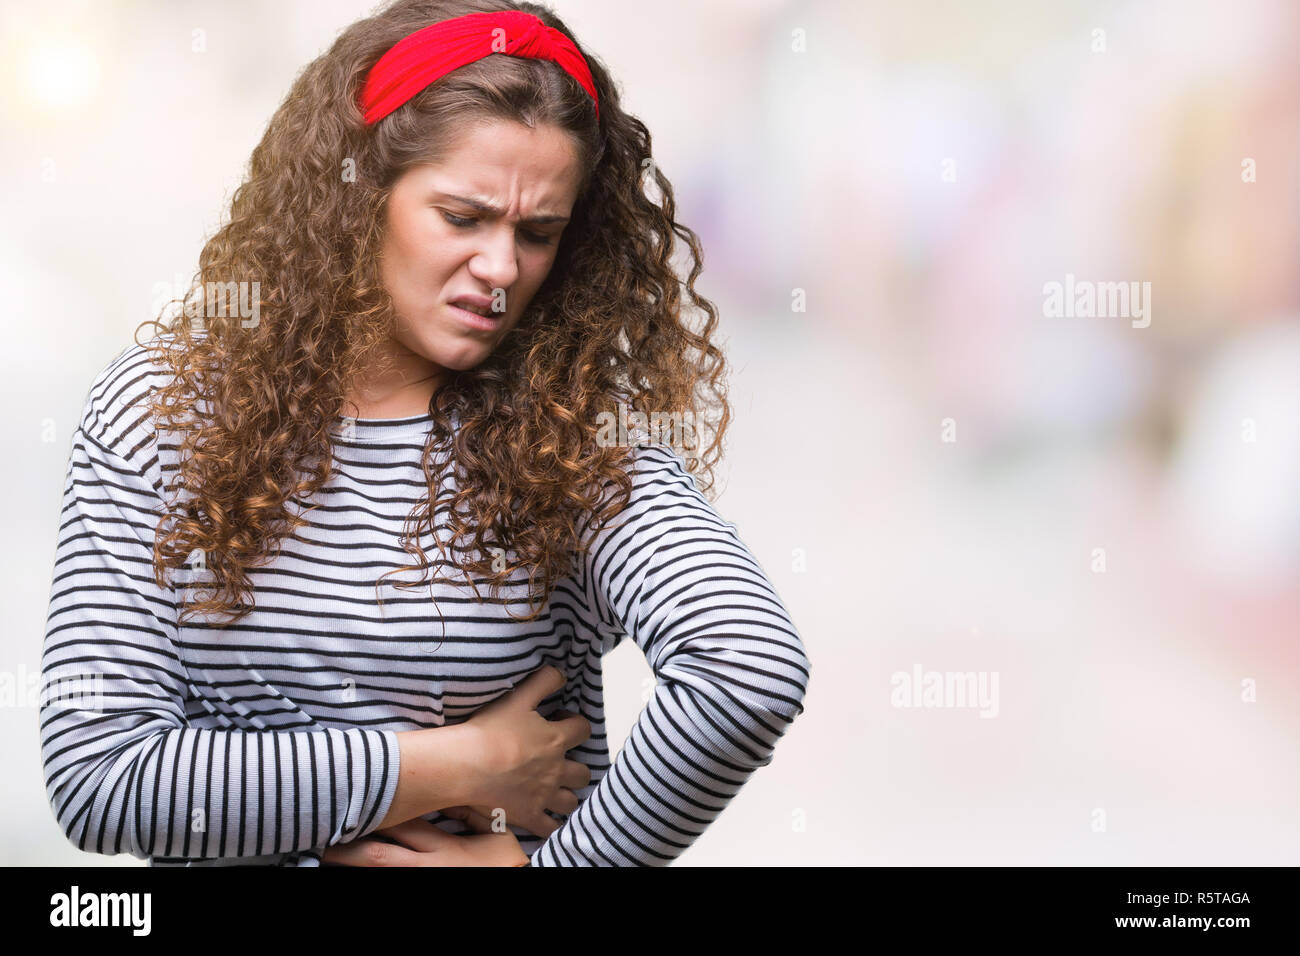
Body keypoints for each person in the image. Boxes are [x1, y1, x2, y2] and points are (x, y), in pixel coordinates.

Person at [39, 0, 810, 867]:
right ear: (359, 193)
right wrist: (456, 765)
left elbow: (747, 667)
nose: (501, 267)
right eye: (463, 216)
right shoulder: (161, 413)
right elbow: (101, 779)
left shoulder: (576, 435)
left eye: (537, 232)